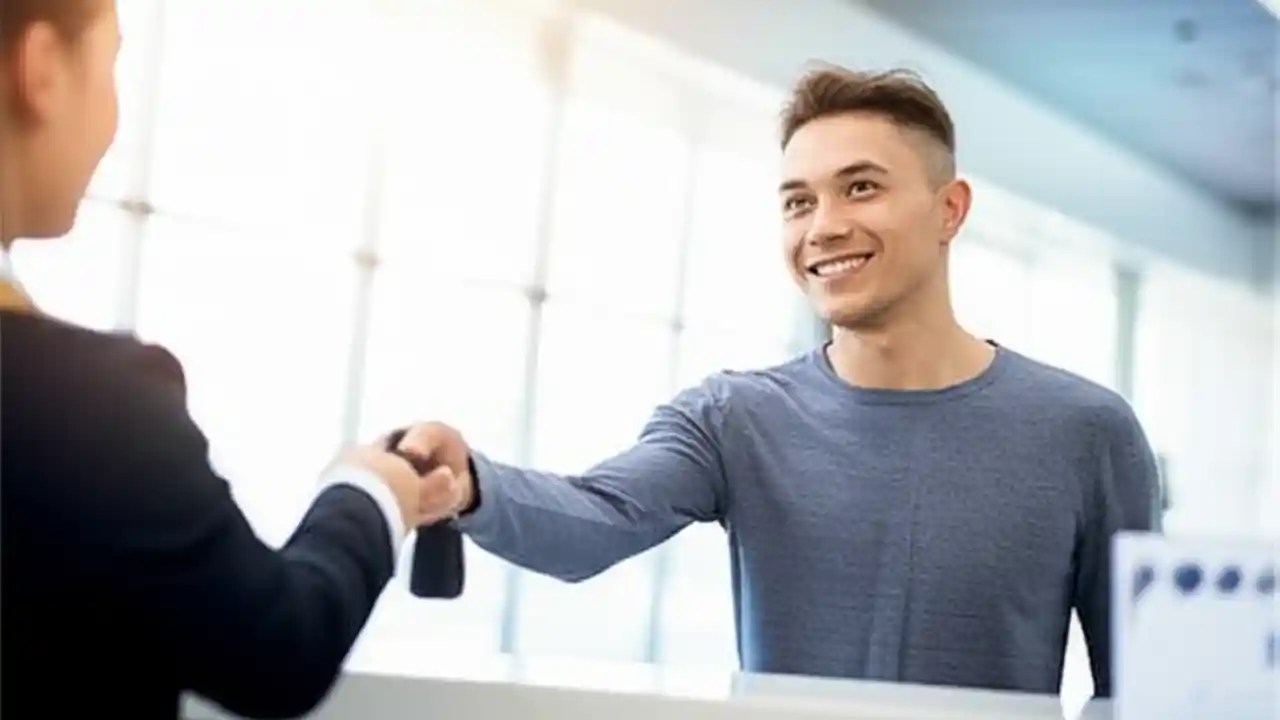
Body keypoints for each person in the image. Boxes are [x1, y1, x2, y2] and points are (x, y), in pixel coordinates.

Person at [399, 64, 1161, 697]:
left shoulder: (1086, 430)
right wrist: (471, 486)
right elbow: (594, 520)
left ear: (949, 210)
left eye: (860, 188)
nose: (822, 226)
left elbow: (1139, 689)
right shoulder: (733, 417)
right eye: (799, 201)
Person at [0, 1, 465, 717]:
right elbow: (276, 647)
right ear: (43, 71)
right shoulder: (84, 404)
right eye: (111, 60)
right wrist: (369, 491)